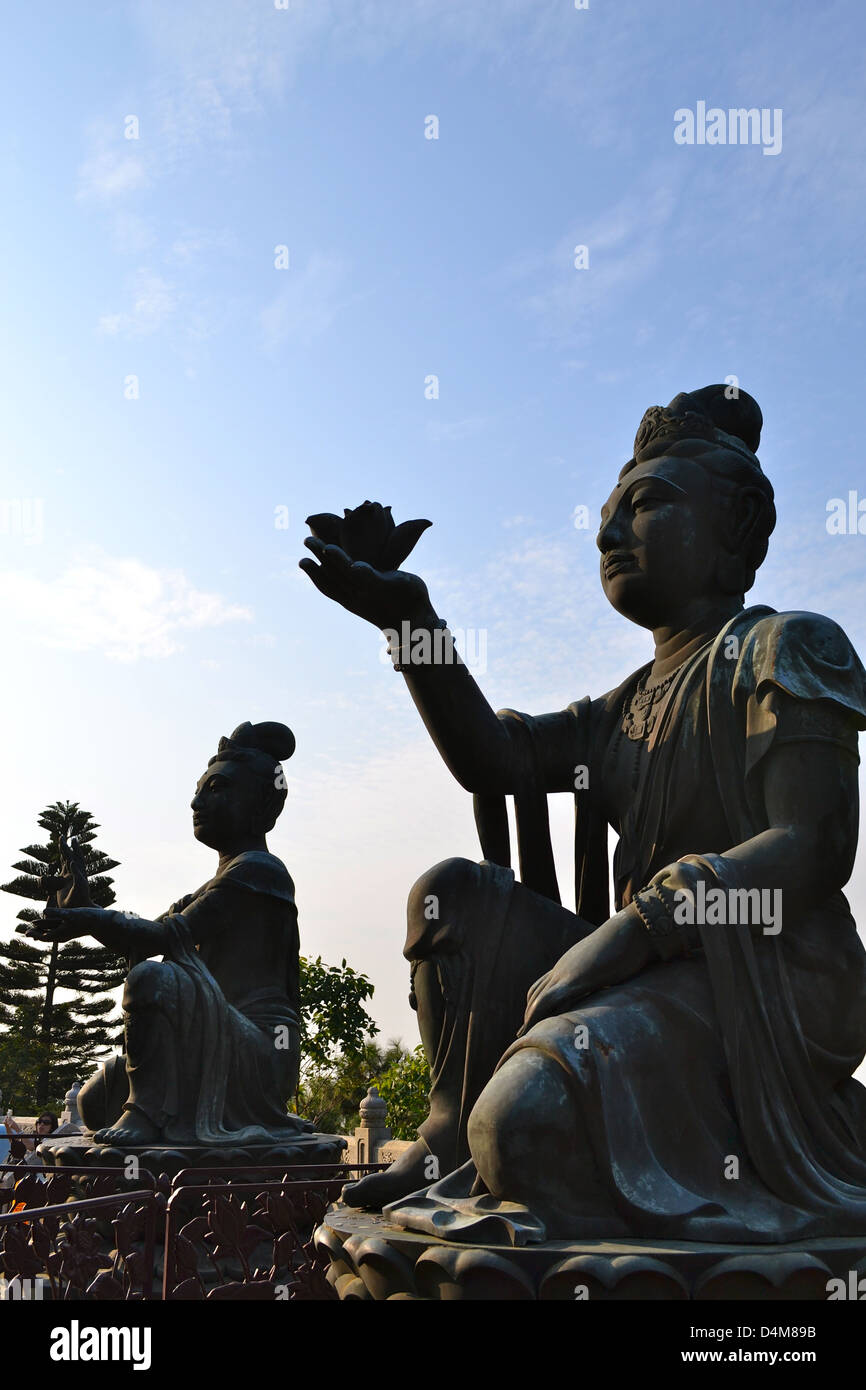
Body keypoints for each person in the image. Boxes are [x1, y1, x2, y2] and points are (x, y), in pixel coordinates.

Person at [302, 385, 866, 1242]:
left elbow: (813, 846)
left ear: (739, 522)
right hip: (645, 973)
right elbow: (492, 760)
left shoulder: (786, 646)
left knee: (519, 1122)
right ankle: (444, 1128)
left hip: (769, 976)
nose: (608, 536)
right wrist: (412, 623)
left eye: (645, 505)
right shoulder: (618, 712)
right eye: (605, 517)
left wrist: (638, 928)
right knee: (450, 894)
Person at [26, 722, 312, 1149]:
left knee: (152, 978)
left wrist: (90, 919)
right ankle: (147, 1111)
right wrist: (87, 909)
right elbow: (142, 938)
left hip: (260, 1049)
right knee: (95, 1101)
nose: (196, 802)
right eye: (198, 790)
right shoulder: (213, 887)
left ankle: (145, 1112)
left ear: (258, 804)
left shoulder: (260, 871)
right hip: (210, 1037)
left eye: (216, 789)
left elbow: (163, 937)